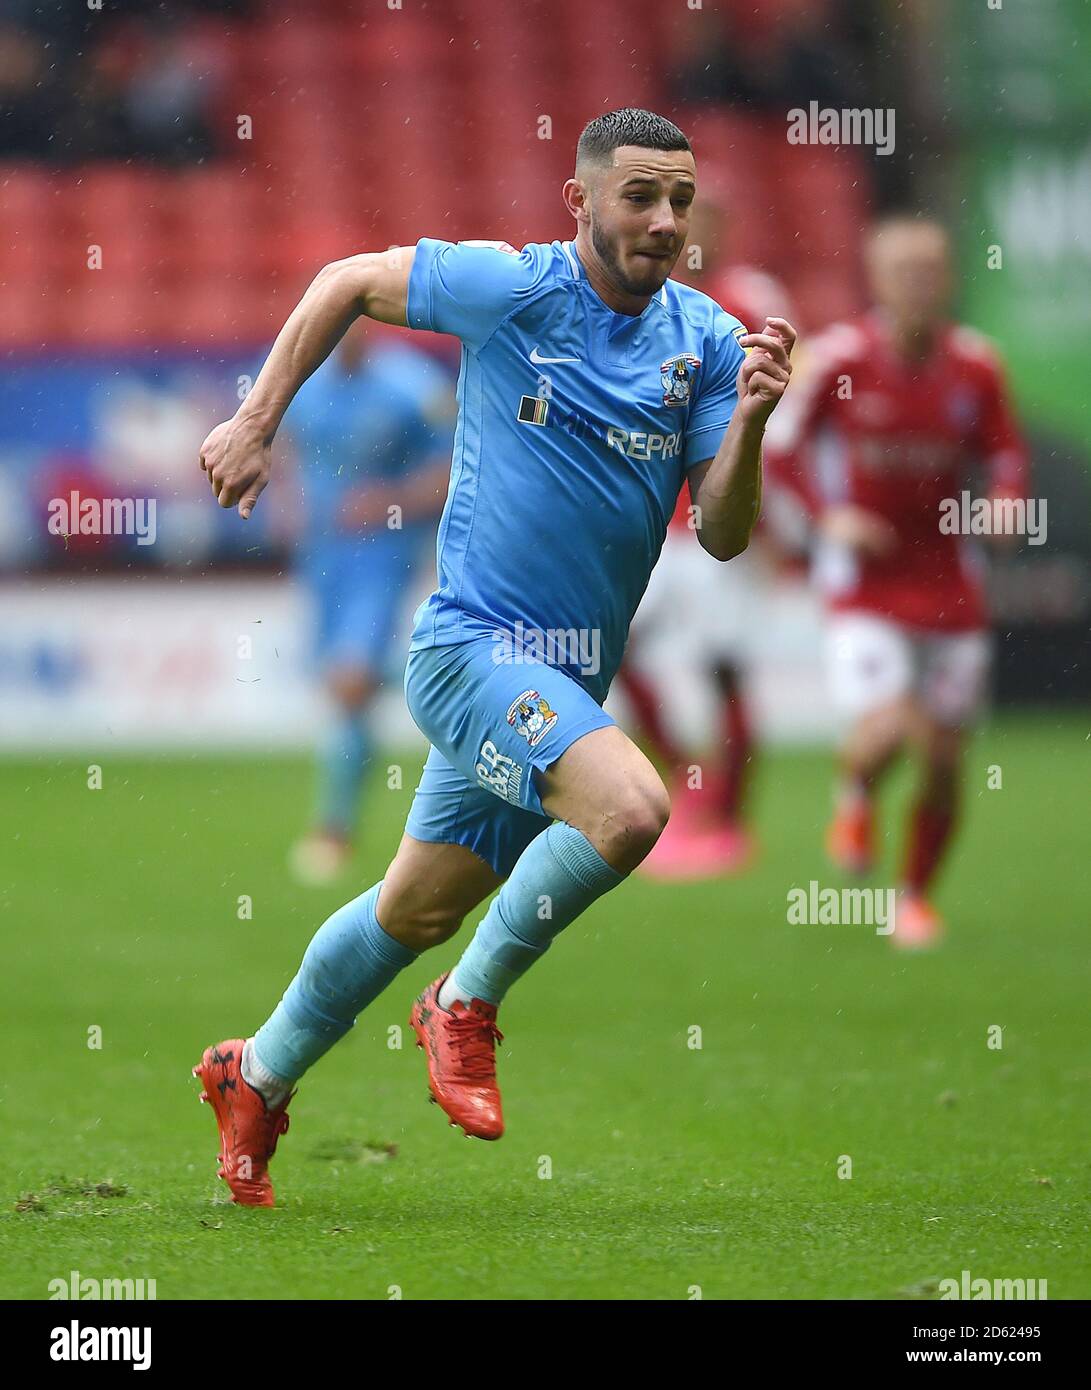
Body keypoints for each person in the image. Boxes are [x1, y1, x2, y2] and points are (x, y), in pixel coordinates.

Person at [193, 108, 796, 1206]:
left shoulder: (707, 341)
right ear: (580, 202)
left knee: (413, 909)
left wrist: (749, 419)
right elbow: (340, 280)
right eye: (639, 196)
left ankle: (255, 1072)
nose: (663, 220)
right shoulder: (511, 288)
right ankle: (461, 1006)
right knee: (628, 810)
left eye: (679, 200)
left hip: (559, 684)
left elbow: (722, 529)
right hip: (470, 650)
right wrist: (255, 421)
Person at [769, 215, 1029, 949]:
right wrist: (830, 520)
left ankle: (913, 899)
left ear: (947, 277)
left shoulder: (976, 364)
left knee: (944, 758)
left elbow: (1006, 451)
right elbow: (779, 454)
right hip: (865, 584)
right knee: (885, 731)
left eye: (929, 268)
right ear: (875, 280)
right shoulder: (839, 358)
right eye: (901, 269)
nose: (917, 282)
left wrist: (1007, 500)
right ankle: (853, 792)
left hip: (950, 582)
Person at [620, 192, 796, 878]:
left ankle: (731, 816)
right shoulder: (648, 304)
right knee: (617, 650)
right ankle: (690, 779)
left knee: (723, 669)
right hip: (661, 525)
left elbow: (779, 413)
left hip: (720, 524)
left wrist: (774, 518)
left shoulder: (747, 301)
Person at [285, 321, 453, 884]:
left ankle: (333, 830)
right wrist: (288, 498)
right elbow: (282, 439)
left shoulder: (412, 385)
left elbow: (455, 468)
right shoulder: (297, 373)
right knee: (342, 688)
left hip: (383, 558)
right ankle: (409, 673)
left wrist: (392, 499)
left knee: (350, 681)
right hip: (321, 559)